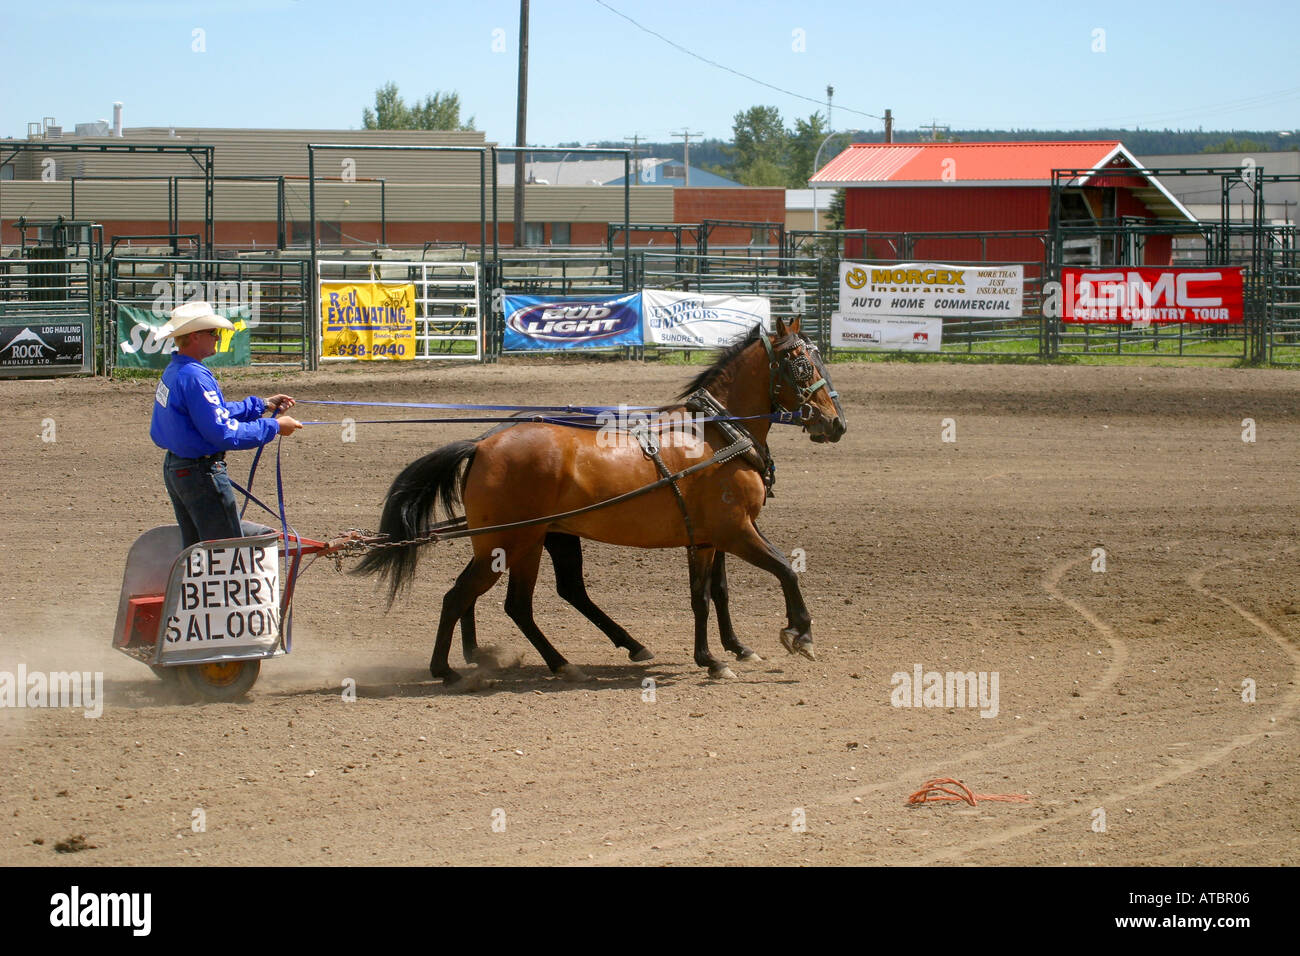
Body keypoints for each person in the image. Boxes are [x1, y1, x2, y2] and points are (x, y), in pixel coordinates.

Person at [149, 301, 303, 548]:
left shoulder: (177, 371)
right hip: (201, 473)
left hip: (179, 468)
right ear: (196, 336)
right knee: (226, 552)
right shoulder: (195, 376)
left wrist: (260, 406)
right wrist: (273, 427)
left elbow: (211, 414)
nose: (218, 337)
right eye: (213, 332)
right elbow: (222, 432)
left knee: (198, 550)